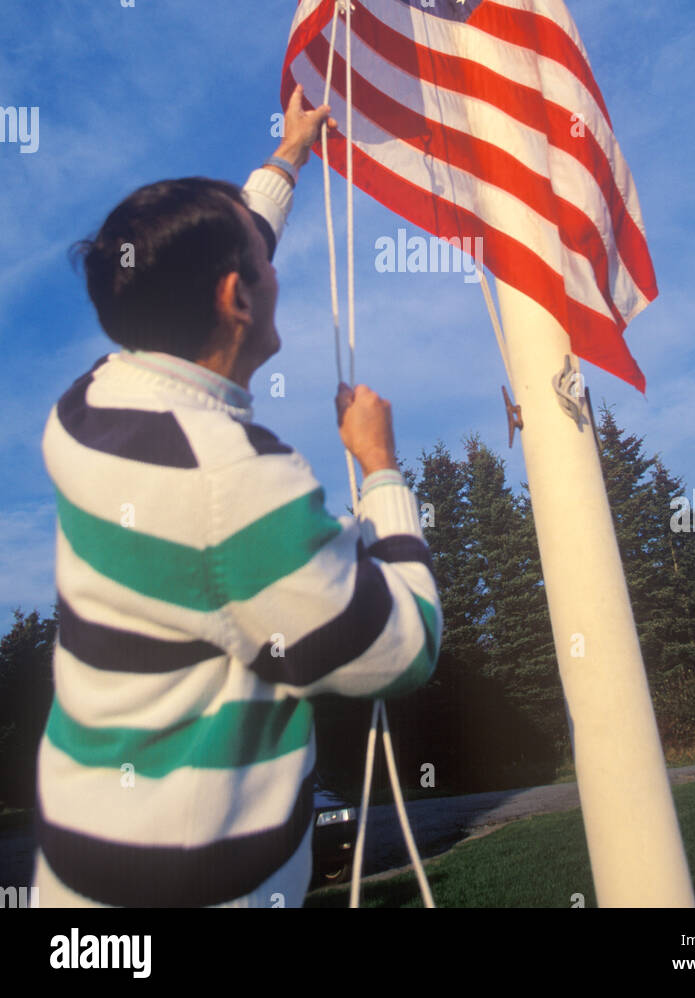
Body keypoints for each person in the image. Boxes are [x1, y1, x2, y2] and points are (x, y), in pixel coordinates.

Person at [31, 86, 442, 908]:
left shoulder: (88, 406)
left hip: (78, 887)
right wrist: (382, 470)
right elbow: (403, 648)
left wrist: (289, 154)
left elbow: (239, 238)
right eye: (262, 267)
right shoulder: (237, 483)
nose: (272, 270)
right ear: (237, 298)